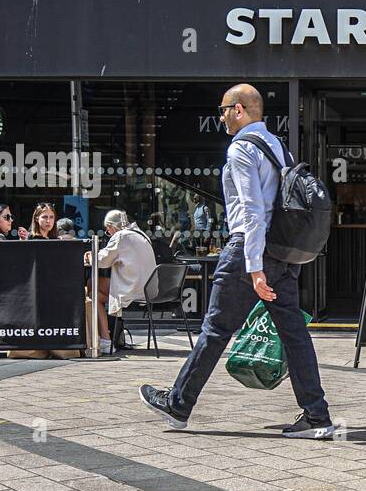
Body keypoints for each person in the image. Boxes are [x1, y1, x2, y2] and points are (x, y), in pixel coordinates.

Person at [140, 83, 334, 438]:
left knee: (215, 330)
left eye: (224, 109)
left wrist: (254, 267)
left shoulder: (242, 149)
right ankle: (317, 416)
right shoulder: (278, 147)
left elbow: (252, 211)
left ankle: (178, 405)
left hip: (250, 252)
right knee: (294, 334)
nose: (221, 116)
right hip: (280, 254)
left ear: (240, 110)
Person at [88, 210, 155, 355]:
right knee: (94, 289)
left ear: (112, 226)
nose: (108, 232)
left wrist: (89, 256)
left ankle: (106, 341)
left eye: (108, 229)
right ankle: (112, 337)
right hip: (148, 289)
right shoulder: (141, 234)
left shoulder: (121, 236)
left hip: (133, 290)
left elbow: (102, 261)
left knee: (92, 290)